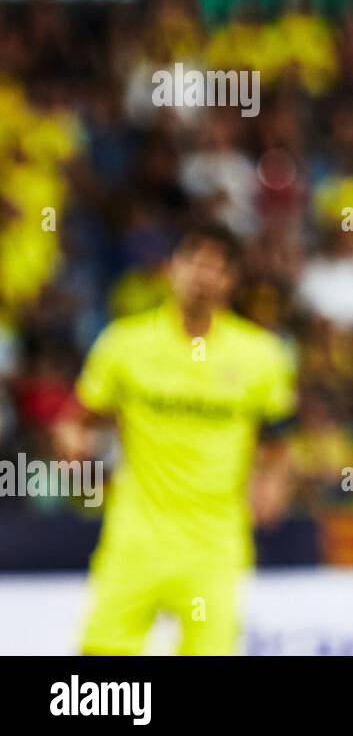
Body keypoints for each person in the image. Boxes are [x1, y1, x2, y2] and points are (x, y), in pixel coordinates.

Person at [53, 220, 297, 655]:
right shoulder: (124, 345)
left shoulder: (261, 356)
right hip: (137, 535)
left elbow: (279, 442)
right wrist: (72, 441)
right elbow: (76, 418)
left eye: (215, 267)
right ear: (171, 268)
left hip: (215, 542)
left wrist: (273, 483)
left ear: (230, 280)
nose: (202, 276)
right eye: (193, 262)